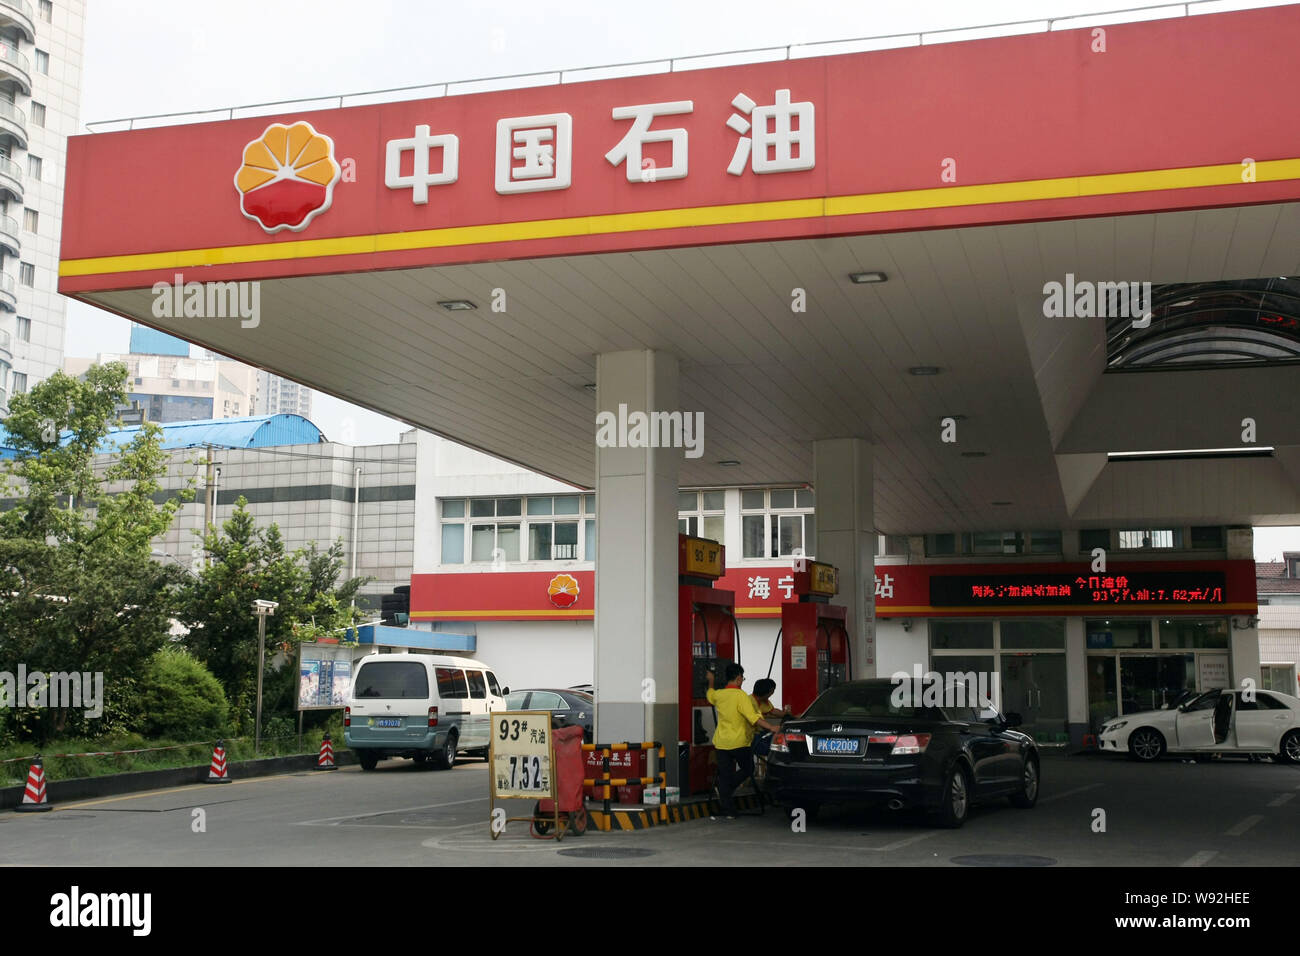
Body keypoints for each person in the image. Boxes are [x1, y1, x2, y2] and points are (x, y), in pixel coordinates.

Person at [705, 663, 782, 819]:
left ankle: (728, 809)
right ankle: (725, 790)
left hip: (721, 743)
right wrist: (771, 728)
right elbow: (753, 718)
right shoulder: (741, 696)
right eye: (743, 678)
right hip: (739, 742)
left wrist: (711, 680)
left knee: (725, 775)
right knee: (748, 769)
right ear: (739, 678)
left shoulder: (719, 695)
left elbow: (709, 694)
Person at [749, 677, 789, 758]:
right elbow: (756, 720)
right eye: (772, 692)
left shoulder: (764, 701)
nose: (772, 694)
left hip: (759, 733)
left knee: (782, 740)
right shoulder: (749, 702)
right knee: (777, 748)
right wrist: (771, 727)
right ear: (768, 692)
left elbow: (775, 712)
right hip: (750, 736)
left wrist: (790, 715)